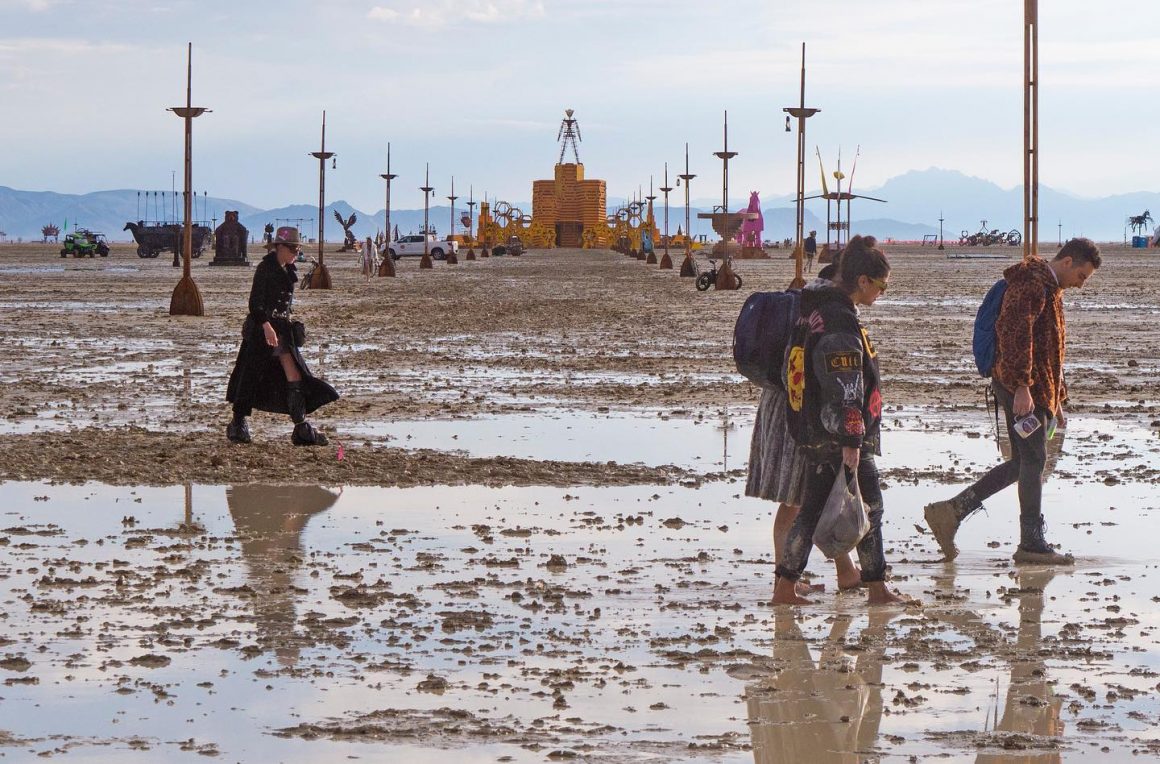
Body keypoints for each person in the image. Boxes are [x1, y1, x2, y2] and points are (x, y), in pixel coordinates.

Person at [924, 238, 1101, 565]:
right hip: (1017, 385)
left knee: (1024, 461)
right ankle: (1030, 544)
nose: (1081, 284)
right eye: (1082, 275)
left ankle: (950, 513)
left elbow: (1049, 349)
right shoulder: (1031, 286)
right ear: (1067, 262)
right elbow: (1015, 335)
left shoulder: (1050, 289)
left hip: (1034, 388)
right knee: (1033, 459)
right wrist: (1022, 386)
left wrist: (1056, 397)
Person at [772, 235, 907, 606]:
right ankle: (877, 587)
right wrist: (851, 440)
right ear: (863, 281)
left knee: (812, 509)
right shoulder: (838, 320)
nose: (881, 293)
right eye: (881, 286)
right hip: (838, 435)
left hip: (814, 428)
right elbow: (845, 385)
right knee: (871, 507)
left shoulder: (812, 307)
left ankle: (785, 587)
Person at [747, 260, 860, 596]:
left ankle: (838, 571)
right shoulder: (817, 313)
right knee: (798, 498)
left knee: (809, 496)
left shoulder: (806, 307)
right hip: (792, 410)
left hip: (784, 404)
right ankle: (786, 580)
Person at [225, 226, 338, 446]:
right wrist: (266, 326)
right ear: (279, 247)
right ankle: (238, 423)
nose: (296, 253)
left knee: (295, 374)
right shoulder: (265, 269)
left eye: (298, 249)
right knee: (249, 375)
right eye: (293, 248)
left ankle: (301, 428)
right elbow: (255, 303)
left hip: (282, 330)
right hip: (261, 329)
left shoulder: (289, 269)